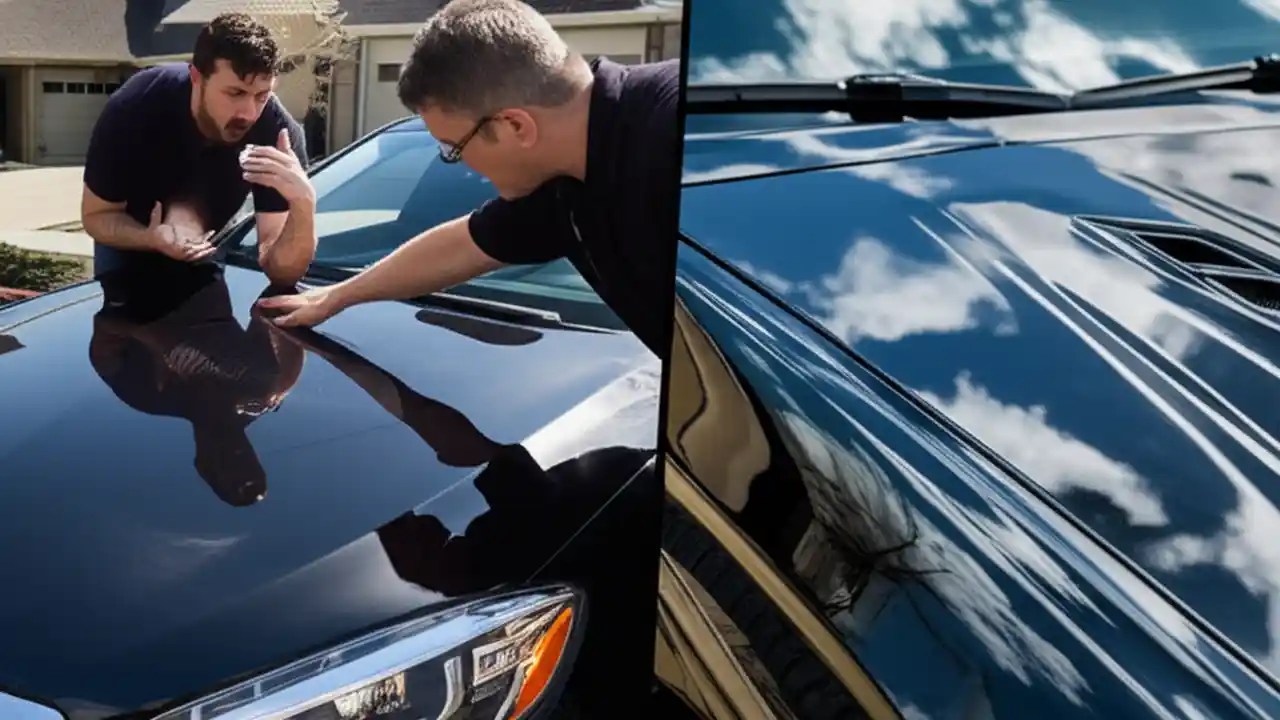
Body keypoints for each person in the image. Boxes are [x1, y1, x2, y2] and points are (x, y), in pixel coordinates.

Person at [257, 0, 680, 356]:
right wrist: (337, 296)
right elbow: (464, 244)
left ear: (516, 126)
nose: (459, 163)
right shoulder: (560, 186)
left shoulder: (673, 130)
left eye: (452, 147)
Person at [80, 12, 317, 286]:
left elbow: (281, 272)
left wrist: (304, 204)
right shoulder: (136, 107)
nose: (249, 113)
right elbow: (97, 216)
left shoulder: (277, 136)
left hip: (210, 243)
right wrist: (150, 238)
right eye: (235, 93)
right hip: (129, 240)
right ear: (196, 77)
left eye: (262, 96)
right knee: (117, 320)